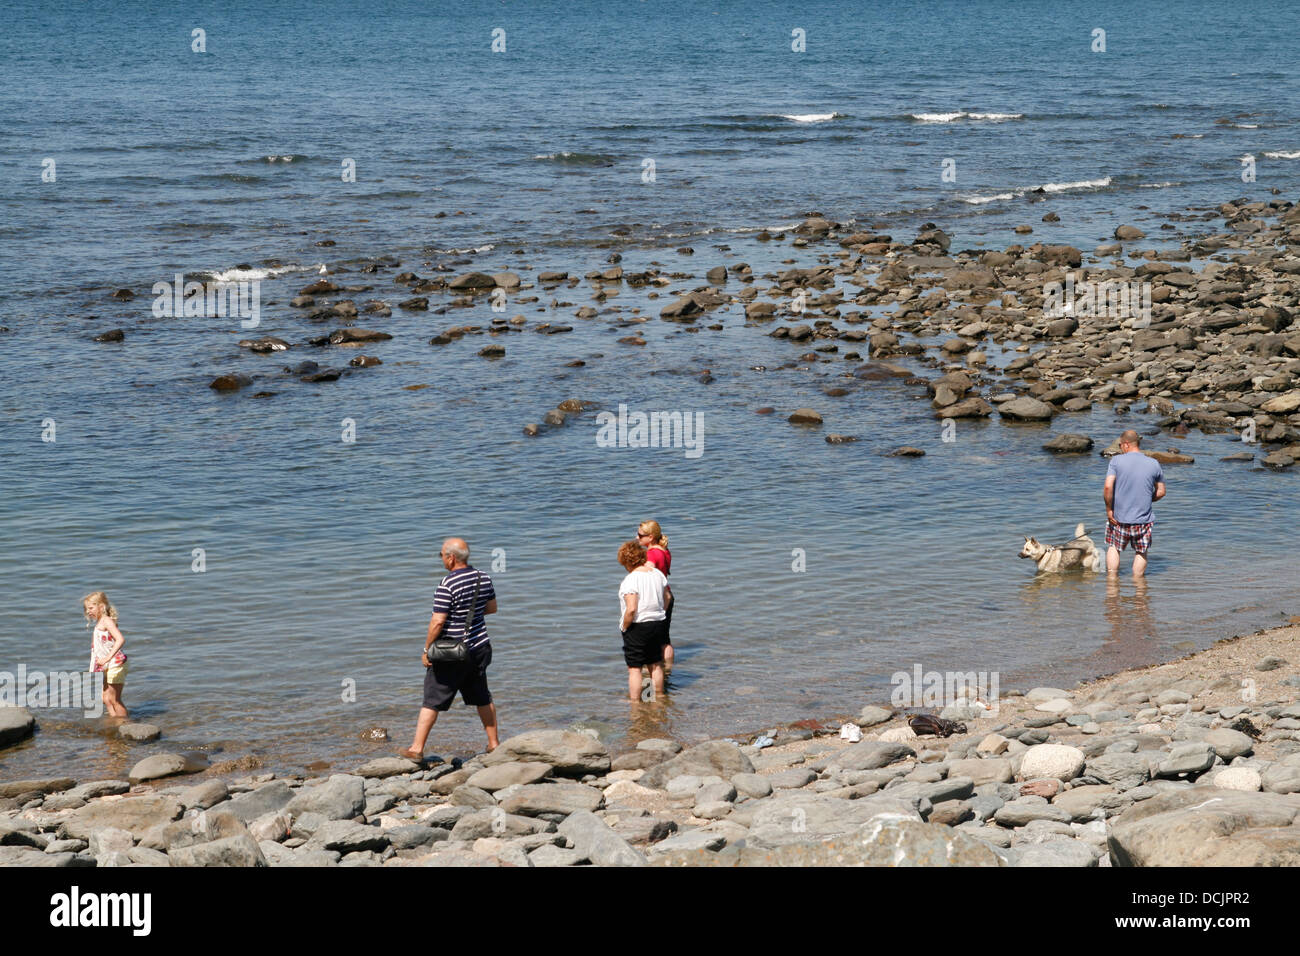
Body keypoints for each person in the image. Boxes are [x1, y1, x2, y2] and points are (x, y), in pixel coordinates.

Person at [401, 538, 499, 760]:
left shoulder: (447, 584)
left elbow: (437, 621)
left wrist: (426, 650)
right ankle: (494, 744)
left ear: (451, 557)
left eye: (442, 555)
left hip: (452, 652)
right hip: (480, 647)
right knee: (482, 696)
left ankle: (416, 748)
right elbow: (492, 608)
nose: (442, 560)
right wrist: (468, 615)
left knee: (432, 699)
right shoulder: (484, 577)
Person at [1104, 430, 1167, 577]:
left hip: (1119, 518)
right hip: (1143, 520)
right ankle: (1139, 586)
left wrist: (1109, 510)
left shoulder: (1116, 461)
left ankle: (1112, 582)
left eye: (1120, 445)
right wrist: (1147, 499)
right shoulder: (1154, 463)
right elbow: (1161, 491)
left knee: (1114, 547)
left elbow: (1108, 487)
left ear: (1126, 444)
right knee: (1141, 551)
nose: (1120, 448)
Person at [618, 540, 672, 701]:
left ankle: (636, 703)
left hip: (638, 626)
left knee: (634, 668)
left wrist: (624, 626)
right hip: (657, 622)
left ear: (626, 562)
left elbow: (632, 609)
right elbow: (667, 597)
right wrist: (661, 612)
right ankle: (657, 698)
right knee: (654, 664)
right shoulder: (657, 574)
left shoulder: (631, 580)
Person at [83, 591, 128, 718]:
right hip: (108, 665)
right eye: (86, 609)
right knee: (105, 698)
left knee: (115, 699)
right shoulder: (100, 623)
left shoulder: (106, 621)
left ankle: (124, 723)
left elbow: (120, 639)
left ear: (101, 607)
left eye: (91, 608)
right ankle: (114, 720)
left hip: (116, 663)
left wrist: (107, 658)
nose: (88, 611)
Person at [637, 520, 674, 672]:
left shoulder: (651, 553)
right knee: (665, 638)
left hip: (657, 598)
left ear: (650, 537)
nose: (637, 537)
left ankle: (654, 674)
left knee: (651, 639)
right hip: (668, 595)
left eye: (640, 535)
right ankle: (669, 670)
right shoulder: (665, 550)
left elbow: (648, 569)